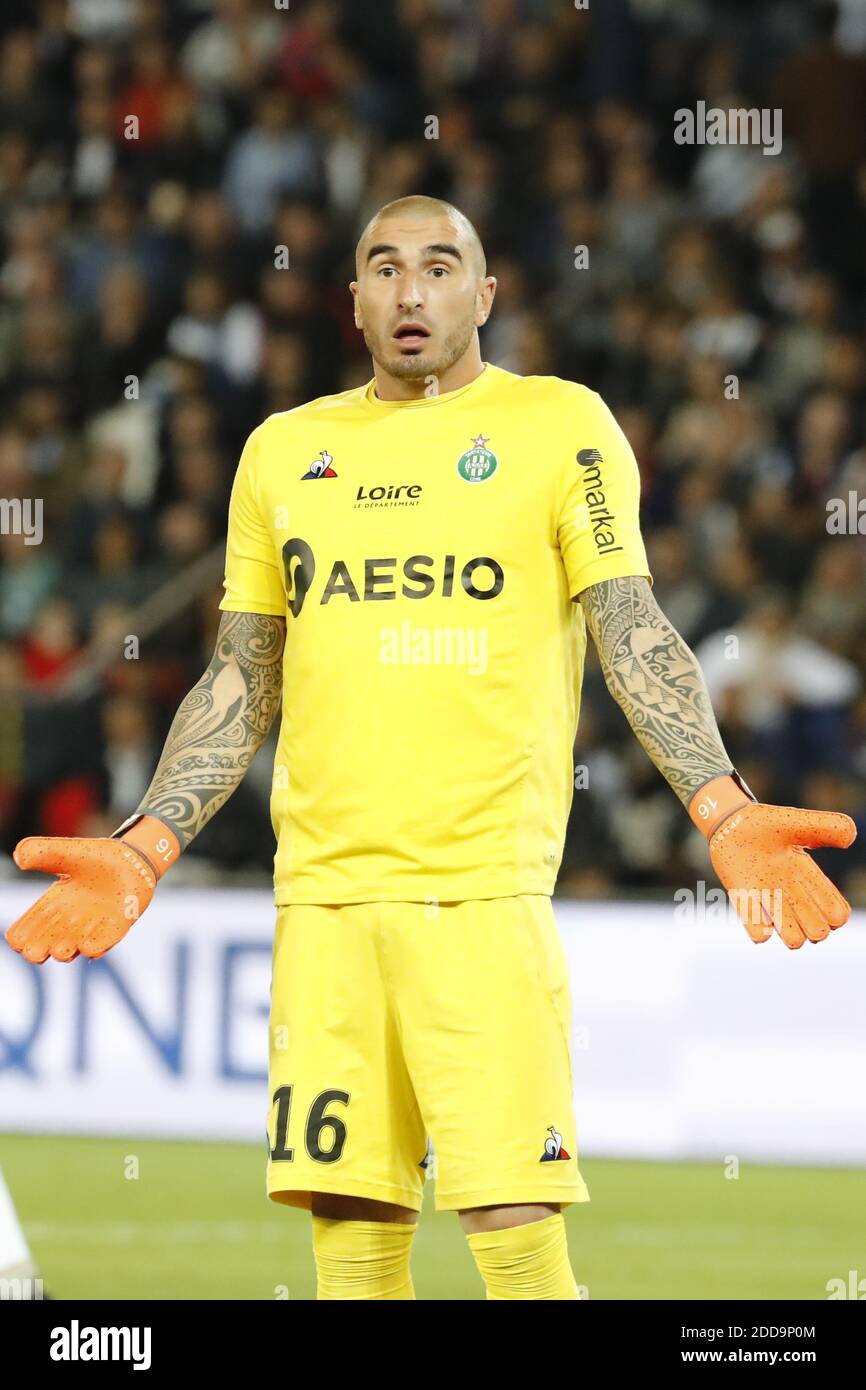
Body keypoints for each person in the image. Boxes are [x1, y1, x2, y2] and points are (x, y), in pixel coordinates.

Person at [5, 197, 857, 1301]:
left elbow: (632, 627)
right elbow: (241, 671)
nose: (411, 292)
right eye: (384, 269)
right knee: (350, 1250)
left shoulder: (561, 425)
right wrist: (145, 842)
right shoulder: (283, 450)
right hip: (322, 907)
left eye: (440, 267)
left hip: (479, 902)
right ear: (352, 301)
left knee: (513, 1236)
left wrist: (722, 806)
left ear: (484, 295)